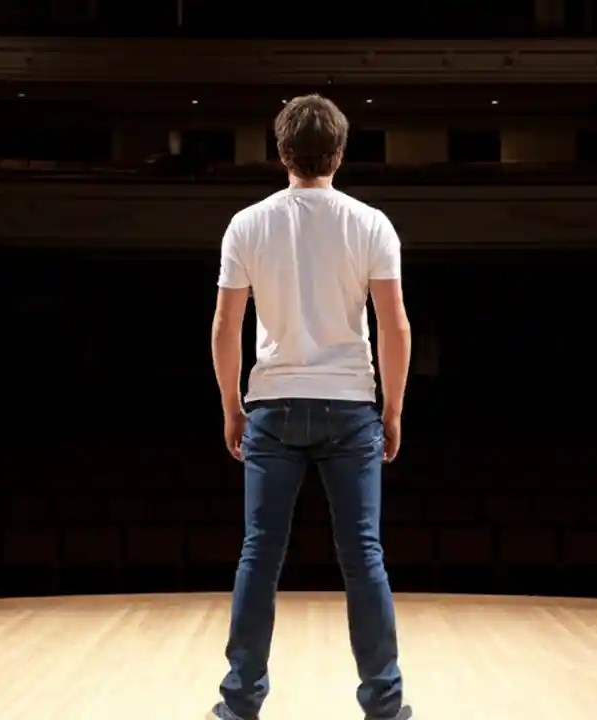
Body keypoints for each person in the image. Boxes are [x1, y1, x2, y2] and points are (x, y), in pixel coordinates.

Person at [208, 94, 414, 720]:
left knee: (259, 554)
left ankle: (239, 703)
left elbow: (224, 327)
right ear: (340, 153)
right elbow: (395, 327)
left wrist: (230, 407)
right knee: (364, 557)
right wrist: (394, 410)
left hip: (271, 404)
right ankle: (384, 704)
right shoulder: (371, 222)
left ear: (281, 152)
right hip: (351, 408)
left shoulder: (247, 223)